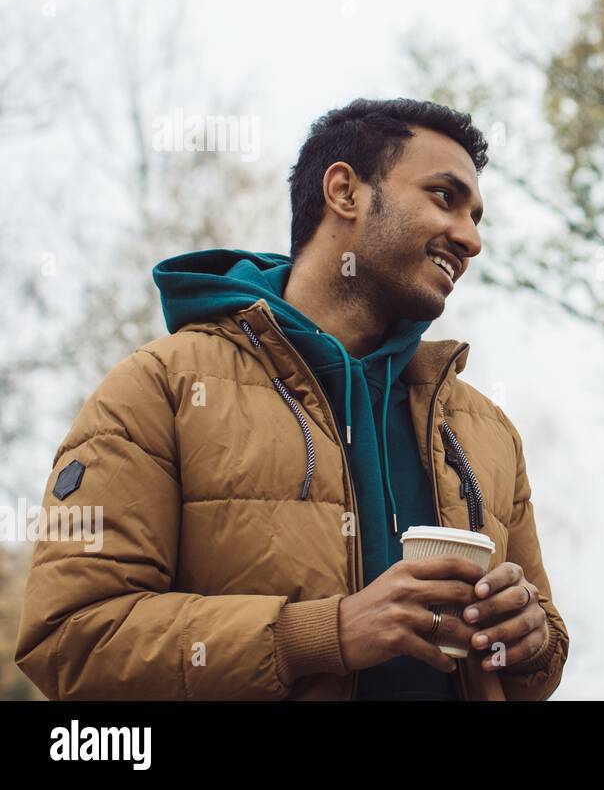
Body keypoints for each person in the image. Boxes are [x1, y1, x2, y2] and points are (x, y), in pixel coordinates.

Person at [15, 98, 568, 700]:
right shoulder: (159, 389)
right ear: (344, 192)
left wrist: (531, 640)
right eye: (444, 197)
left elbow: (538, 670)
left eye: (477, 215)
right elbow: (71, 640)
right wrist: (323, 635)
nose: (470, 239)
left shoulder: (487, 431)